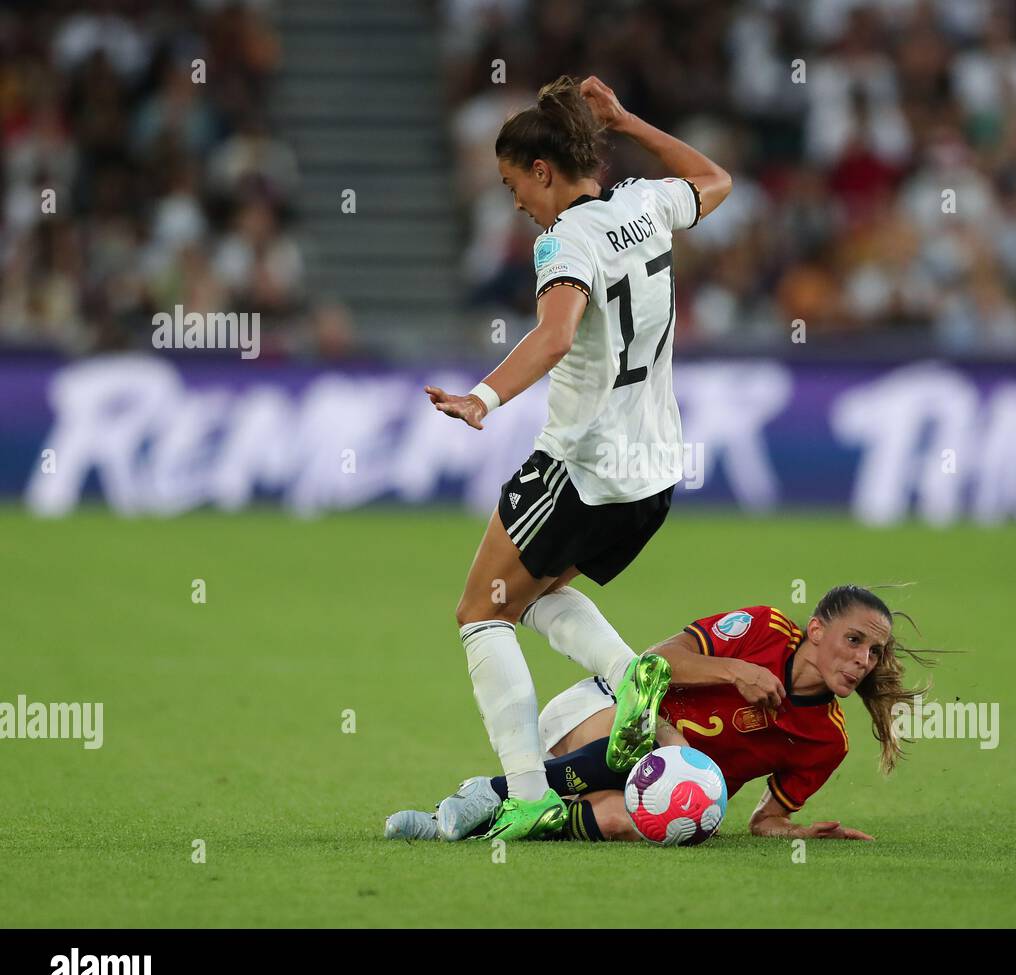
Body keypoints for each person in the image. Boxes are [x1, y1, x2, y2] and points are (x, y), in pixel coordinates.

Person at [421, 75, 732, 840]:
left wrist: (483, 398)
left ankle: (529, 794)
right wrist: (628, 121)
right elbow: (715, 181)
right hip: (653, 475)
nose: (516, 203)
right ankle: (632, 676)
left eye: (513, 185)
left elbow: (556, 335)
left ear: (542, 170)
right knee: (525, 598)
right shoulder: (646, 204)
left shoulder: (565, 240)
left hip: (580, 469)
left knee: (479, 613)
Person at [386, 585, 932, 843]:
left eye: (874, 652)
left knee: (625, 822)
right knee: (648, 742)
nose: (863, 660)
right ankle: (491, 792)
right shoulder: (763, 629)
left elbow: (764, 821)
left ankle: (473, 822)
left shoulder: (827, 742)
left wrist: (800, 834)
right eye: (854, 640)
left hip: (667, 789)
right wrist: (734, 672)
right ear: (816, 629)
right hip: (605, 709)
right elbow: (652, 663)